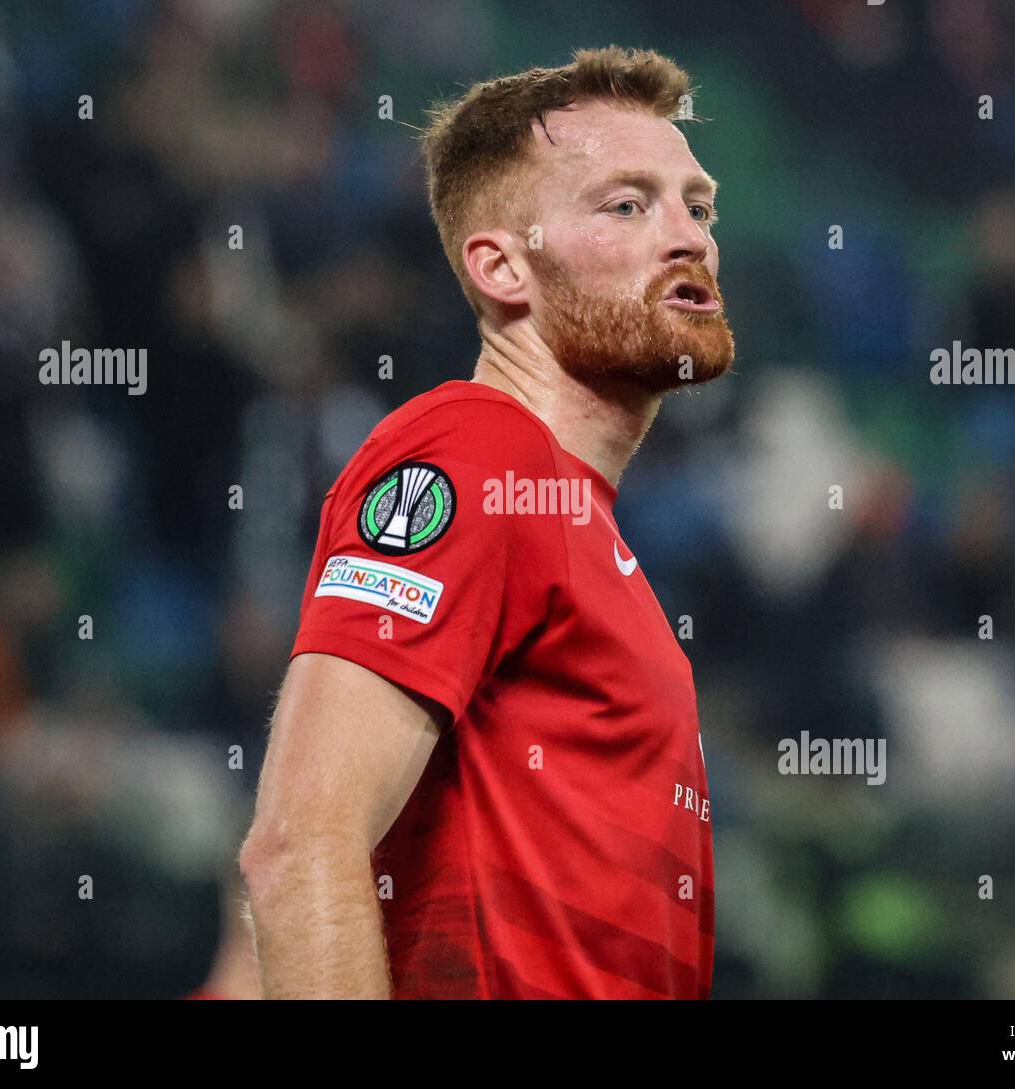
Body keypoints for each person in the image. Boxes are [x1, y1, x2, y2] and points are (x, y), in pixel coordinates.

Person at [240, 45, 735, 999]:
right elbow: (301, 845)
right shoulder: (475, 453)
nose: (691, 238)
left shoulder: (576, 518)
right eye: (628, 205)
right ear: (502, 266)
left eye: (699, 206)